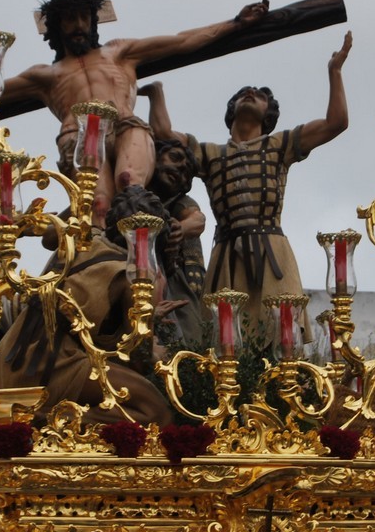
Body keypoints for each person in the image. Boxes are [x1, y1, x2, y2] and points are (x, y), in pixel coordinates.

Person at [0, 0, 270, 226]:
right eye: (69, 19)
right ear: (56, 26)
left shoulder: (119, 51)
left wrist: (235, 24)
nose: (78, 25)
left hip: (126, 125)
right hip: (77, 137)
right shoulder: (45, 76)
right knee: (98, 209)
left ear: (93, 20)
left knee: (129, 182)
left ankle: (151, 253)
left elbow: (182, 41)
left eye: (83, 17)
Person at [144, 31, 353, 347]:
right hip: (227, 255)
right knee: (224, 341)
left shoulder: (280, 145)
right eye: (243, 93)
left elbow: (335, 123)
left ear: (268, 116)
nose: (251, 93)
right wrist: (155, 92)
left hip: (273, 253)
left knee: (281, 337)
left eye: (258, 94)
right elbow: (163, 132)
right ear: (230, 111)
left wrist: (334, 72)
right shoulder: (211, 153)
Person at [0, 185, 182, 426]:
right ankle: (49, 420)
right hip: (46, 363)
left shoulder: (83, 239)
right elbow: (136, 359)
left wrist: (82, 200)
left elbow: (49, 238)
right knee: (155, 411)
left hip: (9, 356)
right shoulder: (133, 278)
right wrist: (153, 341)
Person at [145, 136, 207, 346]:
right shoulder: (124, 194)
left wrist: (181, 228)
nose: (180, 169)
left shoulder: (177, 203)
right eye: (174, 157)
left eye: (186, 172)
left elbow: (197, 219)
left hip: (172, 287)